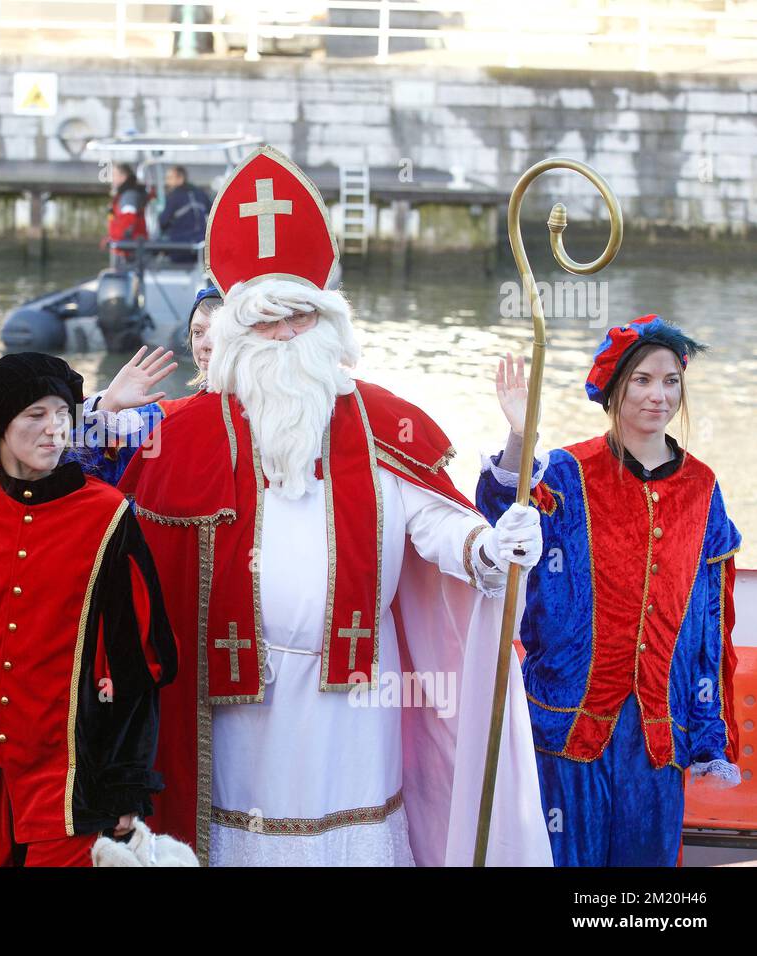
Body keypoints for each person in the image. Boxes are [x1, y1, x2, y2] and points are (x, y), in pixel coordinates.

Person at [117, 146, 552, 866]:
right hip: (237, 705)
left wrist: (486, 548)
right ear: (237, 334)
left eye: (300, 320)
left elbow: (434, 521)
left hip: (356, 702)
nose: (286, 337)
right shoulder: (186, 433)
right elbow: (128, 560)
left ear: (326, 326)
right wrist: (95, 417)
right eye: (268, 322)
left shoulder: (381, 419)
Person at [477, 316, 742, 866]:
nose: (658, 395)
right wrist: (521, 439)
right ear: (614, 388)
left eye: (671, 381)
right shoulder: (569, 473)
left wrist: (708, 725)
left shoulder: (702, 486)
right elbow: (503, 520)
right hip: (568, 715)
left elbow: (711, 615)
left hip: (657, 729)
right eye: (642, 380)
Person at [0, 353, 178, 866]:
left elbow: (136, 662)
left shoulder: (108, 517)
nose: (54, 428)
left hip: (72, 785)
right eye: (35, 415)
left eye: (61, 414)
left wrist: (125, 784)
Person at [69, 285, 220, 485]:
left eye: (220, 332)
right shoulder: (163, 418)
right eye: (198, 332)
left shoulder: (272, 417)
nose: (205, 345)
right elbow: (70, 469)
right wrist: (107, 405)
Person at [157, 166, 211, 264]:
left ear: (180, 178)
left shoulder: (174, 196)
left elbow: (163, 222)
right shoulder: (200, 194)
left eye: (170, 178)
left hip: (180, 247)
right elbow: (212, 213)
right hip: (202, 246)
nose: (167, 182)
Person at [105, 163, 148, 265]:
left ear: (123, 176)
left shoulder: (129, 196)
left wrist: (117, 240)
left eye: (114, 175)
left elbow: (128, 222)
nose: (112, 179)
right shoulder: (125, 194)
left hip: (128, 249)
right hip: (125, 246)